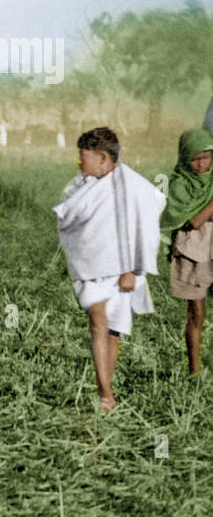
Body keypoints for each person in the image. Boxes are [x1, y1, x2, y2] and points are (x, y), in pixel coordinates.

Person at [53, 126, 163, 411]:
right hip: (90, 269)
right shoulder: (81, 183)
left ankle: (105, 386)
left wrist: (134, 270)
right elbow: (69, 215)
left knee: (112, 331)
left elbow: (147, 227)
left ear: (103, 157)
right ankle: (105, 393)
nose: (79, 162)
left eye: (83, 156)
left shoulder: (133, 186)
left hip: (121, 271)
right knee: (98, 323)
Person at [160, 127, 213, 376]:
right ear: (184, 158)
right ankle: (193, 371)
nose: (201, 164)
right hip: (193, 247)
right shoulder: (180, 184)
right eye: (195, 158)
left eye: (206, 157)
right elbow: (192, 221)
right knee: (196, 312)